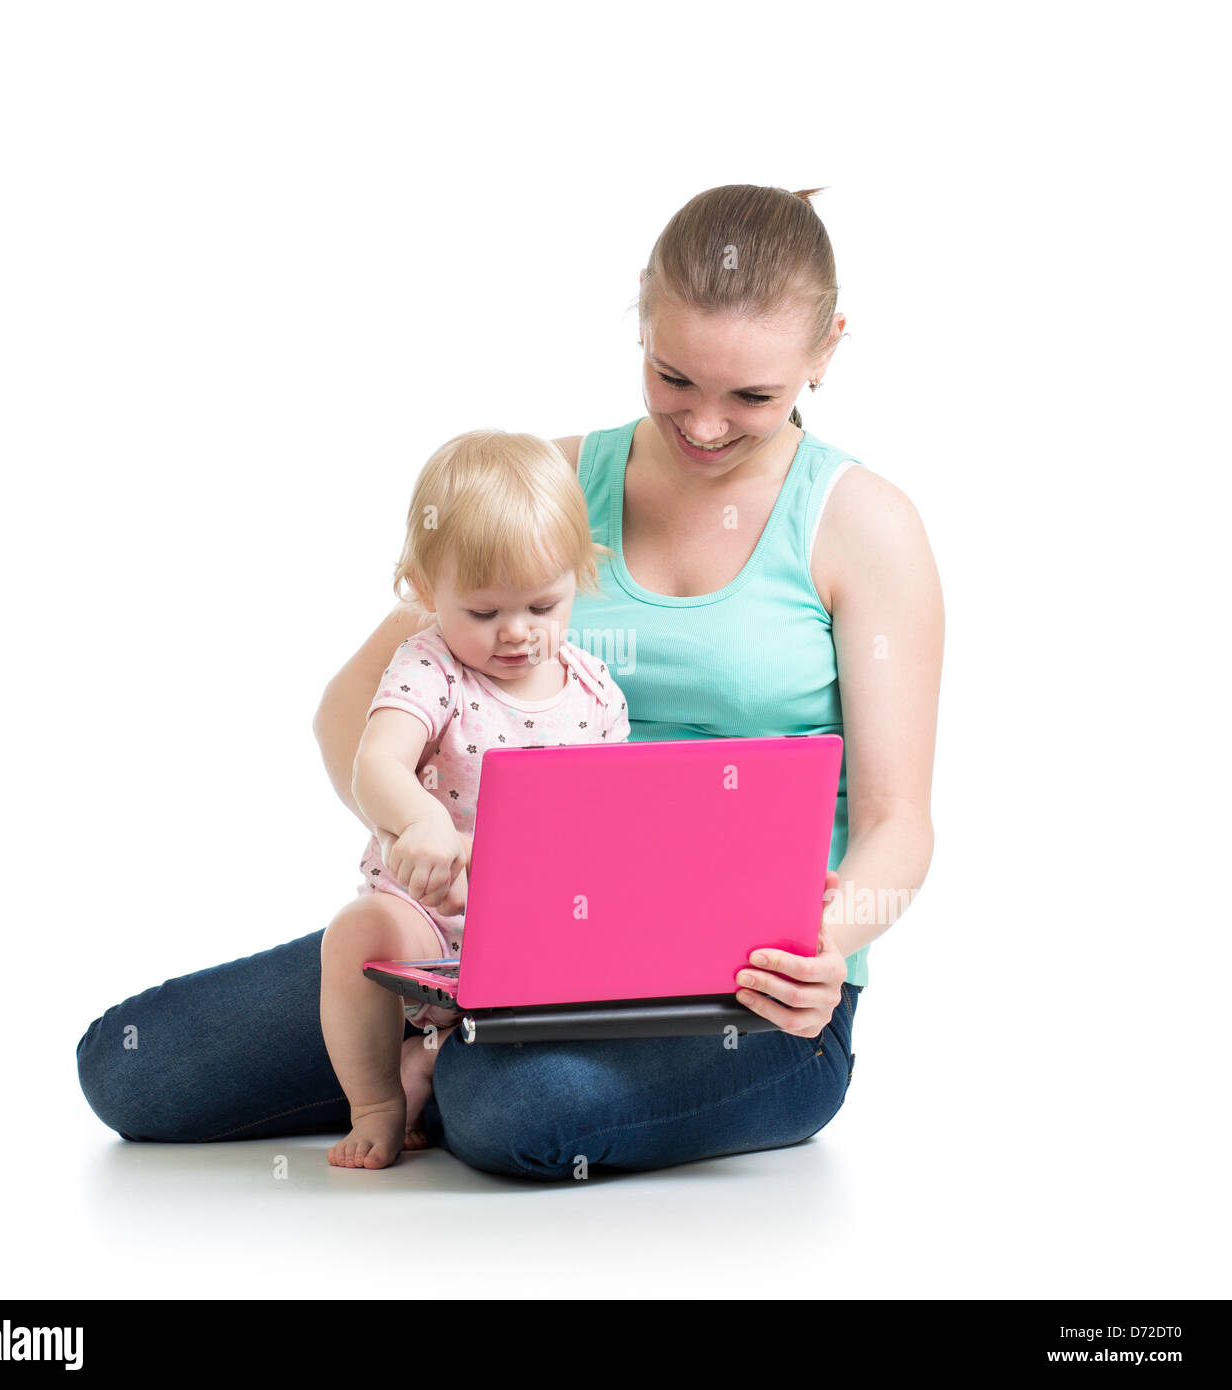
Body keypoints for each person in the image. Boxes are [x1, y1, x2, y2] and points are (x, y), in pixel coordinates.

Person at [76, 182, 943, 1180]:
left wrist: (823, 947)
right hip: (494, 949)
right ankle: (431, 1057)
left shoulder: (864, 524)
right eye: (673, 377)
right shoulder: (547, 487)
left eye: (751, 396)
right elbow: (348, 716)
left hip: (745, 994)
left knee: (511, 1103)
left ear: (826, 350)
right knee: (135, 1070)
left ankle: (445, 1072)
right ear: (642, 325)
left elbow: (898, 821)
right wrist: (425, 838)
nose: (702, 426)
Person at [321, 429, 629, 1169]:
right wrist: (421, 821)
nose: (518, 633)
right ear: (428, 594)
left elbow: (612, 824)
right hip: (430, 915)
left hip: (535, 930)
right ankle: (376, 1102)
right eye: (484, 613)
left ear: (577, 578)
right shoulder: (431, 666)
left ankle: (431, 1061)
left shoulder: (596, 693)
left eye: (543, 604)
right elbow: (377, 763)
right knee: (356, 934)